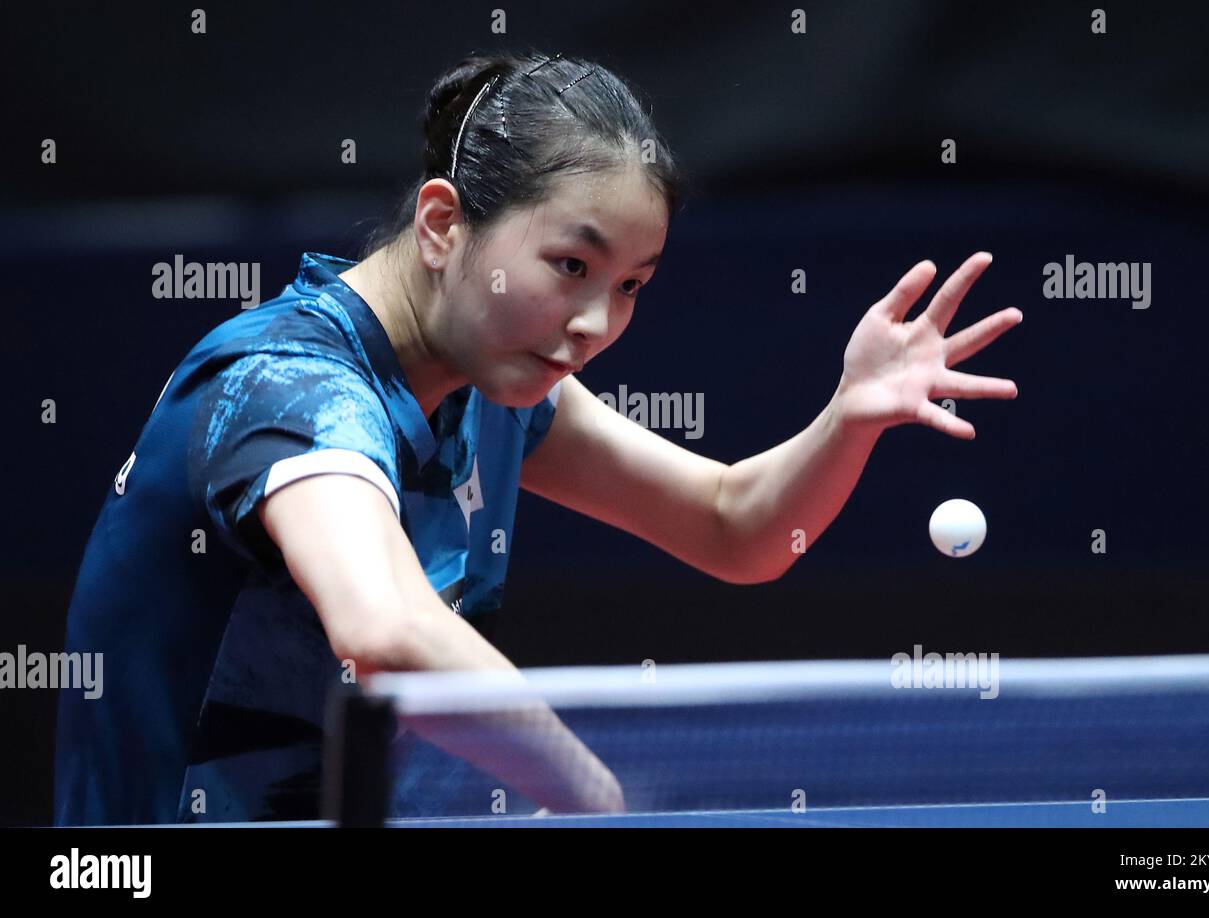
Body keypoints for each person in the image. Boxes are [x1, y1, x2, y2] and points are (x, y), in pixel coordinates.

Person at [54, 49, 1021, 825]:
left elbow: (735, 528)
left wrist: (845, 418)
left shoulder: (490, 389)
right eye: (571, 264)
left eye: (633, 286)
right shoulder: (295, 388)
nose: (598, 322)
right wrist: (598, 798)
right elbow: (385, 629)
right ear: (443, 224)